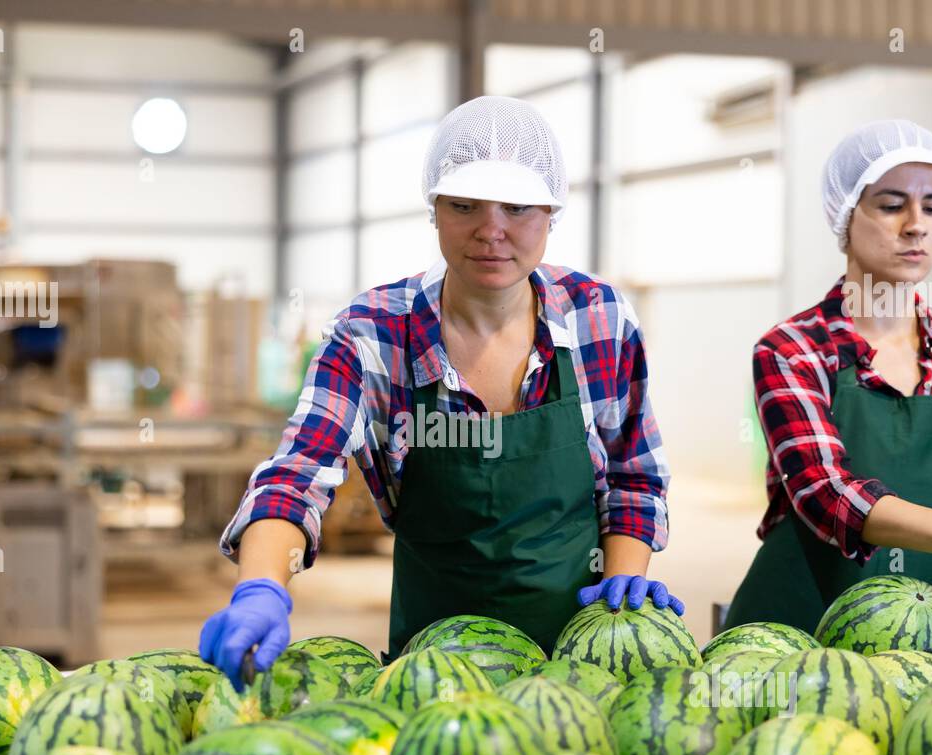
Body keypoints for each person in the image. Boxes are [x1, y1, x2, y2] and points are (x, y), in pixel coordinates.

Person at [200, 96, 678, 685]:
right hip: (431, 673)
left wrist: (621, 584)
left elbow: (635, 475)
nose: (491, 230)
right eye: (463, 205)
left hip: (582, 667)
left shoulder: (599, 318)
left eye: (519, 207)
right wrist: (260, 588)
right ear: (433, 210)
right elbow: (298, 473)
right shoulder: (372, 333)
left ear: (553, 212)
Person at [725, 119, 932, 633]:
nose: (916, 224)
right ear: (845, 217)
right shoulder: (795, 349)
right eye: (892, 204)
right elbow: (826, 492)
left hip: (920, 642)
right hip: (793, 645)